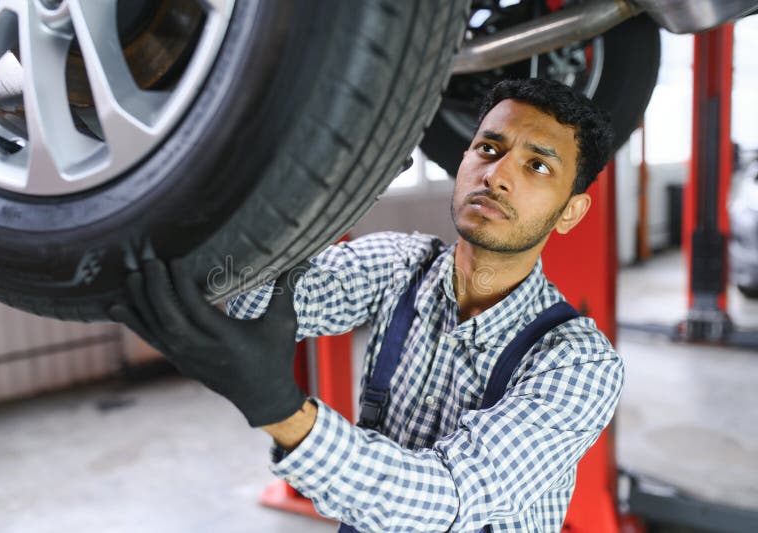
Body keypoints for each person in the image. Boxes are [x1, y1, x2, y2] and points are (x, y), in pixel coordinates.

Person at [110, 77, 623, 532]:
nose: (498, 175)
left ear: (570, 212)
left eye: (537, 165)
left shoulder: (580, 364)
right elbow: (261, 296)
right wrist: (308, 188)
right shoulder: (401, 265)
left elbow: (451, 498)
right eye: (489, 148)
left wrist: (284, 414)